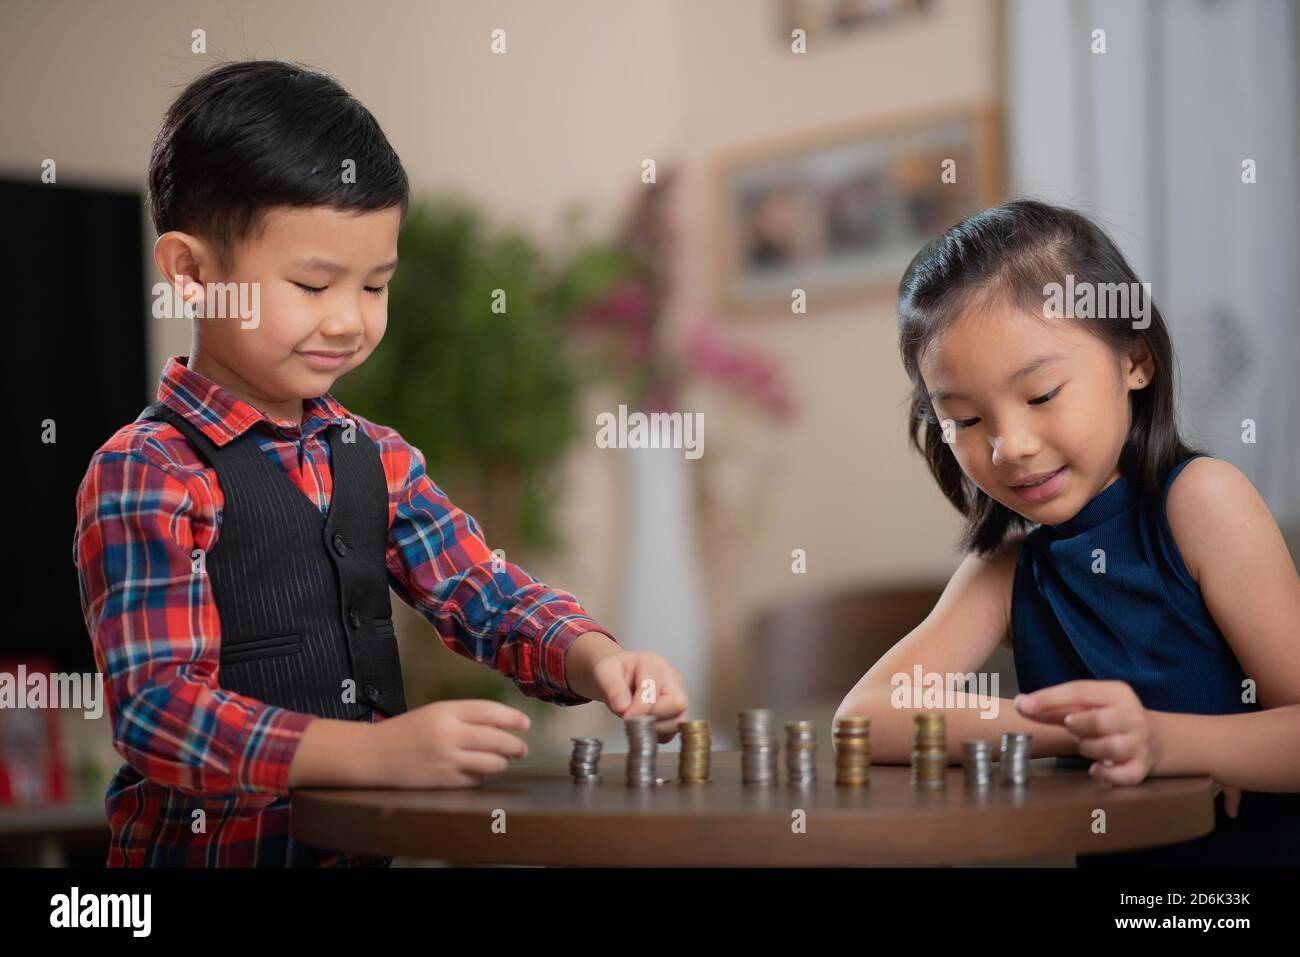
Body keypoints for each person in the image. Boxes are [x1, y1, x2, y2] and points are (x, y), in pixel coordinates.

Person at [73, 59, 687, 867]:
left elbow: (485, 592)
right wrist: (372, 754)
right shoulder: (146, 471)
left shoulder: (378, 457)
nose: (348, 321)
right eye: (313, 282)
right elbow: (159, 710)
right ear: (193, 272)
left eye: (374, 285)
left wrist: (596, 657)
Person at [837, 198, 1300, 866]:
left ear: (1134, 361)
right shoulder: (1009, 571)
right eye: (965, 420)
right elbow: (865, 717)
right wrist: (1085, 732)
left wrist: (1164, 740)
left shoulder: (1202, 502)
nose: (1009, 446)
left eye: (1042, 394)